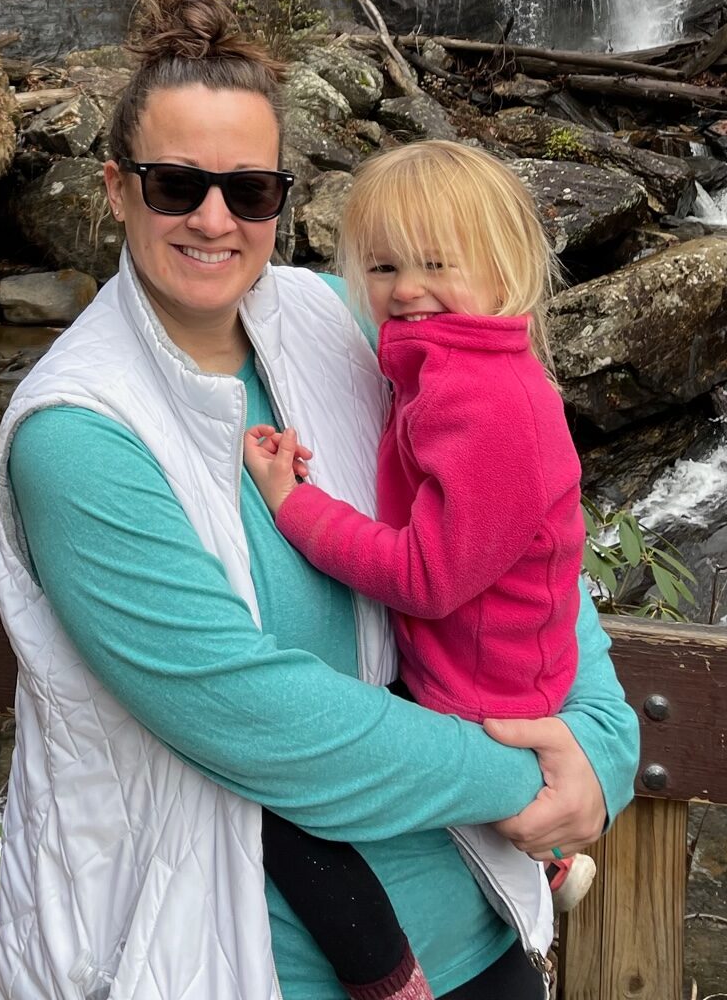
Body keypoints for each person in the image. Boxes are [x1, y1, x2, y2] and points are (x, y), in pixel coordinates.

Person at [0, 0, 638, 1000]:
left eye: (249, 191)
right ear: (116, 188)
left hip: (480, 923)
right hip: (240, 962)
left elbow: (523, 539)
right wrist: (528, 777)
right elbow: (258, 715)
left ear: (282, 201)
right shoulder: (78, 436)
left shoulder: (349, 318)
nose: (214, 220)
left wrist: (600, 747)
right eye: (176, 185)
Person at [245, 141, 592, 1000]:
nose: (405, 290)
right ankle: (542, 859)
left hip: (482, 686)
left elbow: (428, 575)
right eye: (384, 266)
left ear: (504, 267)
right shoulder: (449, 367)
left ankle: (390, 973)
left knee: (302, 786)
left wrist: (296, 507)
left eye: (436, 265)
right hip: (492, 664)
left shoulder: (484, 400)